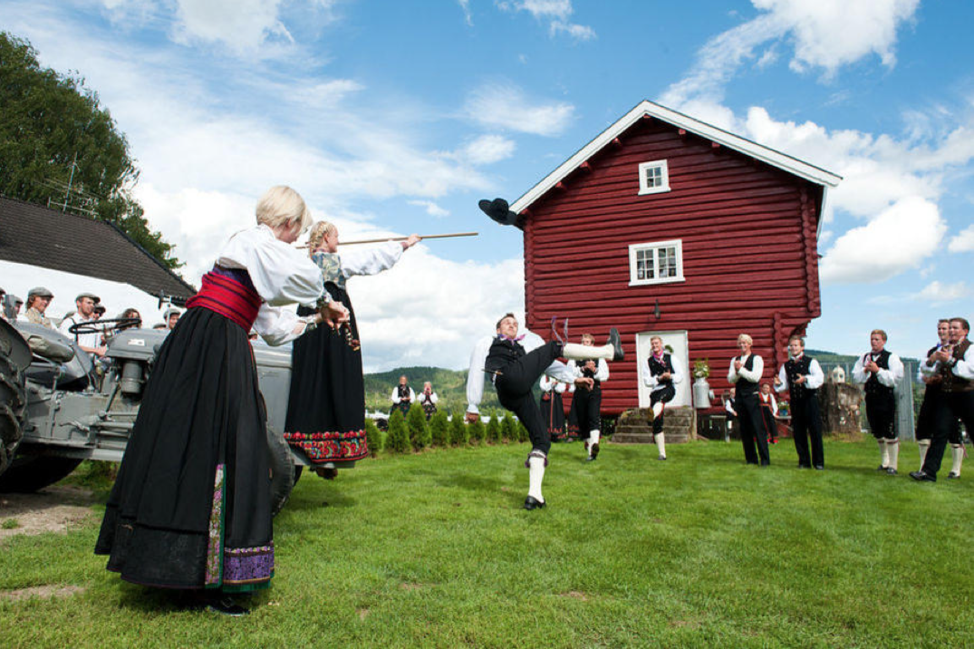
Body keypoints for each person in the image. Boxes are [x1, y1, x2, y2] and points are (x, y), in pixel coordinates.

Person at [95, 185, 348, 616]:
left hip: (211, 340)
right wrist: (325, 289)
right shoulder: (256, 242)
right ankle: (196, 574)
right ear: (287, 224)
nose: (294, 240)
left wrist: (314, 315)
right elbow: (300, 276)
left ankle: (193, 571)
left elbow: (269, 322)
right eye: (296, 232)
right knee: (224, 448)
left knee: (207, 446)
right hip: (212, 343)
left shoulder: (256, 256)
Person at [284, 222, 420, 471]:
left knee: (311, 376)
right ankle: (331, 449)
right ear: (326, 237)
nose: (339, 239)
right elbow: (372, 260)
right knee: (338, 375)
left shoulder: (304, 264)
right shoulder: (337, 263)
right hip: (335, 321)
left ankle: (306, 443)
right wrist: (405, 244)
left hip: (309, 321)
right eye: (336, 235)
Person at [467, 313, 623, 509]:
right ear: (498, 329)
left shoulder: (525, 347)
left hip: (518, 393)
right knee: (552, 347)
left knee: (542, 439)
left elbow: (550, 365)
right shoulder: (487, 342)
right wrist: (473, 404)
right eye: (507, 323)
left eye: (515, 324)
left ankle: (535, 495)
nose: (512, 325)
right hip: (505, 378)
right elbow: (476, 368)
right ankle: (609, 352)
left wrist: (575, 380)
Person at [912, 317, 974, 483]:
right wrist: (932, 360)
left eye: (955, 328)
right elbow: (926, 369)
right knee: (940, 432)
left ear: (965, 331)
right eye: (950, 328)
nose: (951, 331)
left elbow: (971, 371)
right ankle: (929, 472)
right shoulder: (945, 348)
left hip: (967, 395)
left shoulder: (970, 348)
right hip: (947, 396)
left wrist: (951, 360)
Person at [852, 329, 904, 475]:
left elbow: (895, 378)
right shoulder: (864, 357)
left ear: (884, 341)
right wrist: (865, 371)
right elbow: (856, 376)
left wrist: (878, 370)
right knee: (877, 431)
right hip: (871, 397)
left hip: (885, 397)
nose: (874, 342)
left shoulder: (891, 357)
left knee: (889, 430)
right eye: (872, 339)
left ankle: (893, 464)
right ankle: (884, 461)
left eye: (877, 339)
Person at [775, 336, 825, 469]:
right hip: (796, 402)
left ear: (802, 347)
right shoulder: (787, 366)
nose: (793, 348)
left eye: (795, 345)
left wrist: (806, 379)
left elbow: (820, 379)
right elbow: (784, 385)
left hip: (810, 400)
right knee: (799, 432)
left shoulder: (811, 362)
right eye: (791, 346)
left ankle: (818, 462)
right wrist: (778, 384)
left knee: (815, 432)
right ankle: (803, 461)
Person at [727, 333, 770, 466]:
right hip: (740, 397)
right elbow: (730, 379)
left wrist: (741, 370)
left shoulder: (757, 359)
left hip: (752, 396)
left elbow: (755, 378)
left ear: (750, 344)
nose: (742, 345)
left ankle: (764, 459)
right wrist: (737, 371)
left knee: (758, 428)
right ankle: (751, 459)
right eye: (740, 343)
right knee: (744, 429)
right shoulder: (735, 360)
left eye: (745, 342)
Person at [641, 335, 683, 461]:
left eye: (657, 343)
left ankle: (652, 414)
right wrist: (658, 378)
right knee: (657, 424)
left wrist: (669, 377)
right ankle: (662, 454)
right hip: (656, 390)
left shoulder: (671, 358)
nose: (655, 346)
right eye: (653, 344)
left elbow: (680, 375)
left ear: (661, 344)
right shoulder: (647, 362)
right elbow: (646, 380)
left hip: (668, 388)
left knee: (661, 400)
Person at [573, 333, 610, 462]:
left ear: (592, 344)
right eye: (583, 342)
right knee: (583, 421)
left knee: (593, 416)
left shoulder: (599, 357)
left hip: (594, 391)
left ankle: (593, 448)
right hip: (580, 391)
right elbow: (570, 373)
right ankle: (590, 445)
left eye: (587, 342)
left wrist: (594, 371)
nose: (584, 344)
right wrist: (583, 368)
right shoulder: (574, 358)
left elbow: (605, 376)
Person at [60, 293, 108, 359]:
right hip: (74, 364)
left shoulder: (94, 325)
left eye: (93, 304)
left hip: (90, 364)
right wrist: (96, 350)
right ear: (78, 303)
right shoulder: (70, 322)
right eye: (88, 303)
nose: (92, 306)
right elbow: (68, 345)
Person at [539, 375, 569, 442]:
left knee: (557, 415)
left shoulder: (560, 378)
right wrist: (552, 384)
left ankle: (557, 435)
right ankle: (546, 435)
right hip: (546, 400)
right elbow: (543, 387)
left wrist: (555, 385)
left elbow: (561, 389)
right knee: (546, 415)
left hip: (556, 400)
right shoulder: (545, 377)